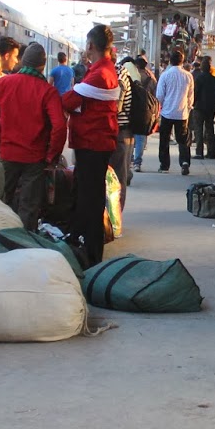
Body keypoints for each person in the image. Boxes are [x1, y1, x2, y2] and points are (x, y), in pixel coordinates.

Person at [0, 42, 67, 229]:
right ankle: (23, 244)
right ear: (42, 66)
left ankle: (1, 237)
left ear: (23, 61)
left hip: (8, 154)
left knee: (3, 200)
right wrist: (52, 155)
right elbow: (60, 127)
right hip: (34, 159)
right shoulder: (48, 91)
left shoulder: (4, 83)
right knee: (28, 207)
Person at [59, 24, 120, 266]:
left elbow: (68, 100)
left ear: (90, 46)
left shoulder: (99, 74)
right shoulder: (106, 70)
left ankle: (92, 254)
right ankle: (82, 243)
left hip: (92, 144)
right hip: (98, 143)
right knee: (88, 196)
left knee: (91, 199)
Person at [155, 47, 195, 175]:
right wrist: (188, 108)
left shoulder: (165, 75)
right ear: (182, 62)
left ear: (170, 61)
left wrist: (159, 109)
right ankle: (184, 162)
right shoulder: (188, 76)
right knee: (183, 139)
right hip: (182, 113)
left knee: (165, 139)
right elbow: (190, 96)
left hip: (167, 112)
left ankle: (164, 165)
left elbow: (160, 95)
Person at [191, 56, 215, 160]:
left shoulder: (198, 79)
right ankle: (210, 152)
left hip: (199, 107)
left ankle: (199, 152)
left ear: (201, 67)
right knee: (209, 129)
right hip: (211, 108)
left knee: (198, 129)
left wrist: (193, 103)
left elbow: (195, 92)